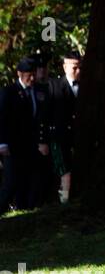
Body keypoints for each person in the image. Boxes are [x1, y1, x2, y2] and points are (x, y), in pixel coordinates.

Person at [0, 57, 52, 210]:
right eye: (28, 74)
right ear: (19, 74)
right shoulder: (9, 92)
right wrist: (2, 143)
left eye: (34, 73)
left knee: (30, 180)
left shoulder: (40, 91)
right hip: (14, 145)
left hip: (32, 144)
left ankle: (25, 210)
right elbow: (2, 118)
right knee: (11, 182)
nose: (32, 77)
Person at [46, 52, 81, 204]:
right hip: (60, 137)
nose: (78, 71)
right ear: (65, 67)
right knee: (64, 172)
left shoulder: (87, 85)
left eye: (80, 67)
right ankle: (64, 201)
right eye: (74, 68)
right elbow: (46, 114)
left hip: (78, 136)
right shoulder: (54, 86)